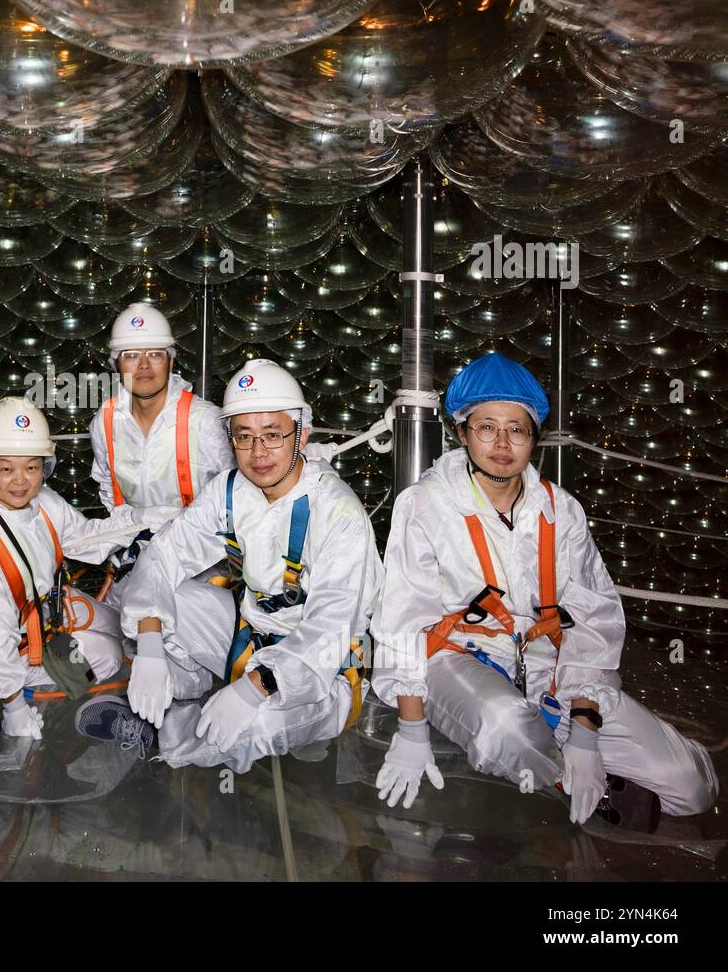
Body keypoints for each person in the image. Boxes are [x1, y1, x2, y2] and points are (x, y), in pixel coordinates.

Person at [370, 352, 718, 826]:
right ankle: (585, 793)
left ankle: (590, 767)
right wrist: (411, 728)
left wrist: (585, 730)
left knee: (688, 786)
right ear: (461, 432)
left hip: (547, 662)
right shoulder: (426, 505)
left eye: (517, 428)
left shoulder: (560, 511)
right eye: (486, 426)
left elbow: (593, 618)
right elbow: (402, 620)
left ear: (535, 436)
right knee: (506, 729)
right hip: (454, 656)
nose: (501, 443)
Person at [80, 359, 383, 771]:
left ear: (302, 435)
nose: (258, 453)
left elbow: (330, 628)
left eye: (272, 435)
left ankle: (158, 739)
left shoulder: (338, 512)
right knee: (173, 596)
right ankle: (174, 685)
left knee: (253, 727)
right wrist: (149, 643)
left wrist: (257, 688)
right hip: (249, 637)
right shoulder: (230, 491)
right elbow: (165, 554)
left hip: (322, 669)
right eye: (245, 437)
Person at [0, 397, 152, 741]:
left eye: (31, 467)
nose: (20, 481)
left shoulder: (42, 504)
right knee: (108, 655)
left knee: (124, 625)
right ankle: (57, 712)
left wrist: (144, 520)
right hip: (3, 650)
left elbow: (84, 538)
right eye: (6, 469)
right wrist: (11, 705)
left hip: (43, 613)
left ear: (46, 466)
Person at [89, 301, 233, 535]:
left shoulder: (205, 421)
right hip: (135, 551)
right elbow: (107, 485)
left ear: (171, 362)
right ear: (116, 366)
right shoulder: (105, 422)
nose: (144, 365)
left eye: (155, 355)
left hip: (200, 559)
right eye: (132, 356)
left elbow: (237, 493)